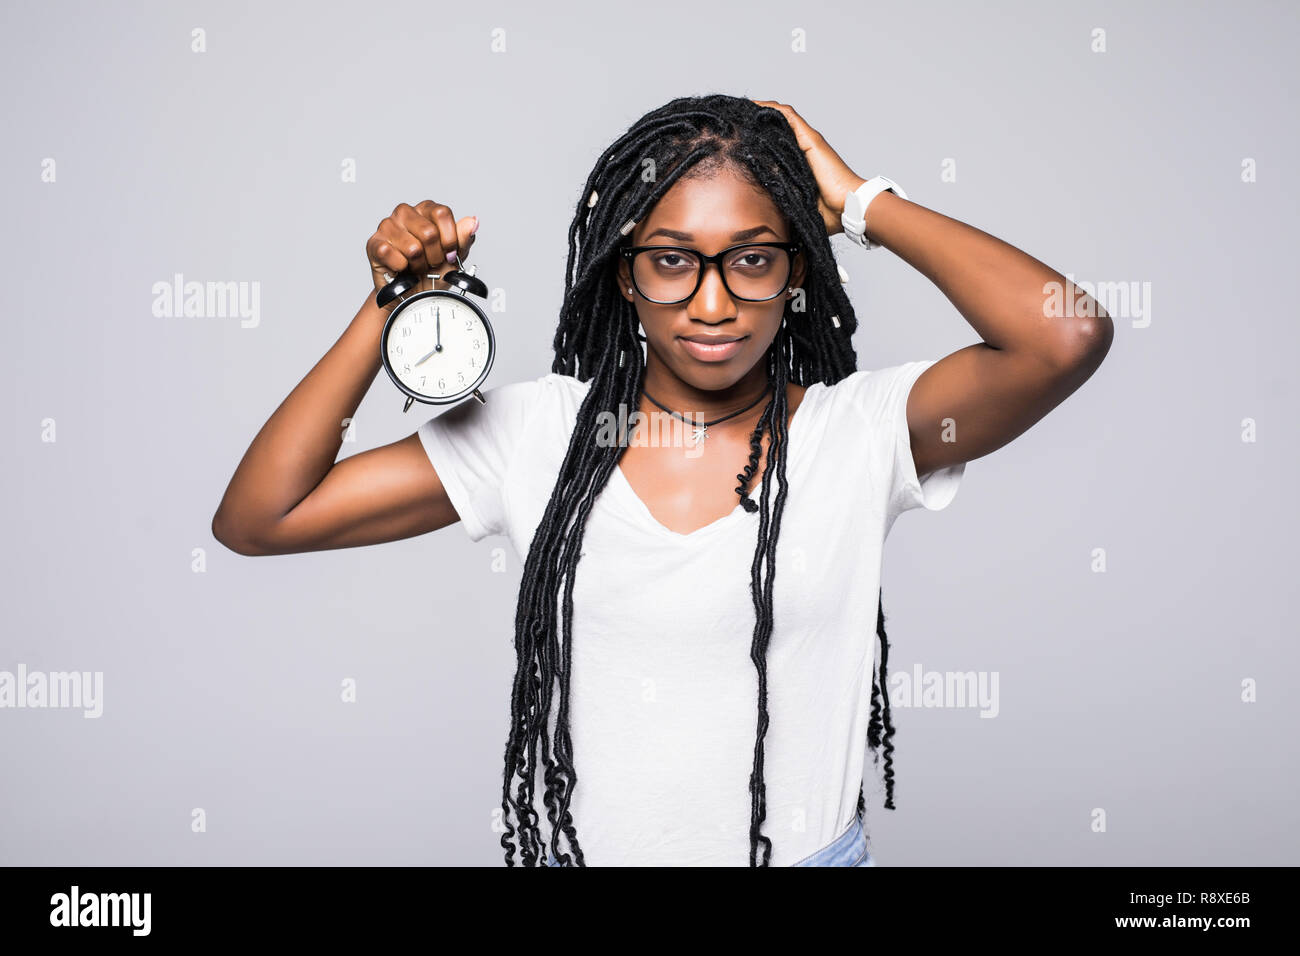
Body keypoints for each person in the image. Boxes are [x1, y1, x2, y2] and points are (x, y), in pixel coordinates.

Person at [211, 93, 1113, 867]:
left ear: (799, 270)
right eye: (673, 259)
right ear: (624, 276)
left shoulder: (860, 431)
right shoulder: (536, 435)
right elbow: (262, 514)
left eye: (753, 258)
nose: (713, 301)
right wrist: (395, 307)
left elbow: (1063, 335)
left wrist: (859, 201)